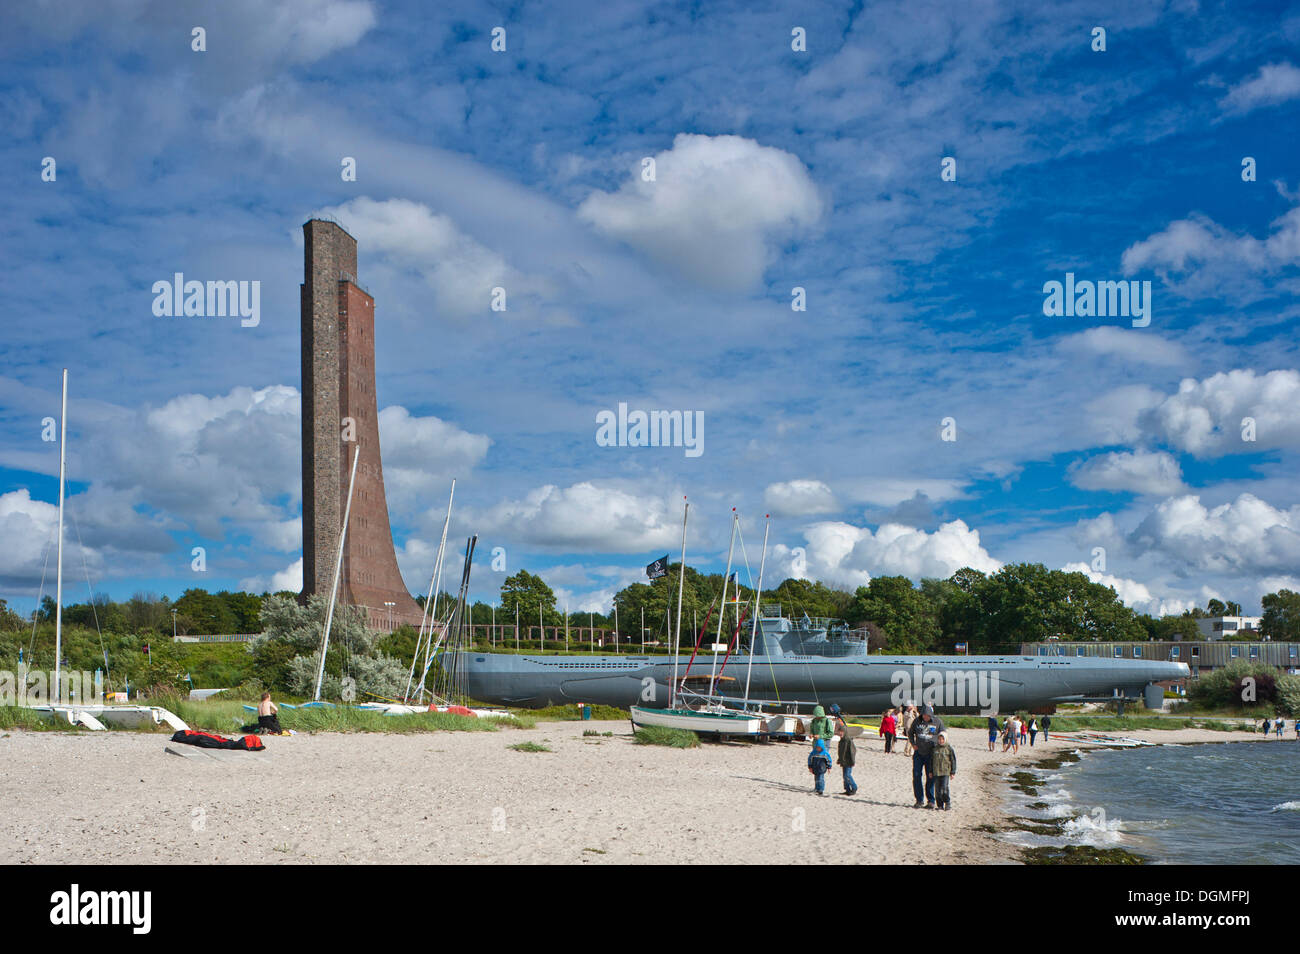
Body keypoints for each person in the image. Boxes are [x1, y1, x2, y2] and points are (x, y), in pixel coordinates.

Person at [908, 704, 946, 809]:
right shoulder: (917, 721)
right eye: (924, 715)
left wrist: (940, 747)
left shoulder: (938, 722)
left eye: (927, 715)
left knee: (931, 777)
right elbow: (910, 733)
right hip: (918, 753)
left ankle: (931, 801)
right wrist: (913, 744)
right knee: (916, 776)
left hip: (931, 754)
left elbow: (944, 734)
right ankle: (919, 800)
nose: (925, 717)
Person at [931, 730, 958, 811]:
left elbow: (953, 760)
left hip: (945, 772)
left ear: (945, 739)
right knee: (937, 791)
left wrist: (953, 772)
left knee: (944, 789)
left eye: (942, 739)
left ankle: (947, 803)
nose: (941, 741)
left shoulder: (949, 749)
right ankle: (940, 805)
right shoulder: (935, 749)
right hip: (936, 772)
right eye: (939, 739)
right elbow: (931, 761)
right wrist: (930, 771)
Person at [838, 724, 858, 795]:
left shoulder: (848, 741)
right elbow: (840, 751)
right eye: (839, 732)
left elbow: (853, 751)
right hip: (843, 761)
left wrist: (852, 761)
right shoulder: (841, 741)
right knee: (844, 776)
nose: (840, 733)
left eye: (842, 732)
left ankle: (854, 787)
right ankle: (847, 789)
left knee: (847, 775)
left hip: (849, 761)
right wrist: (839, 759)